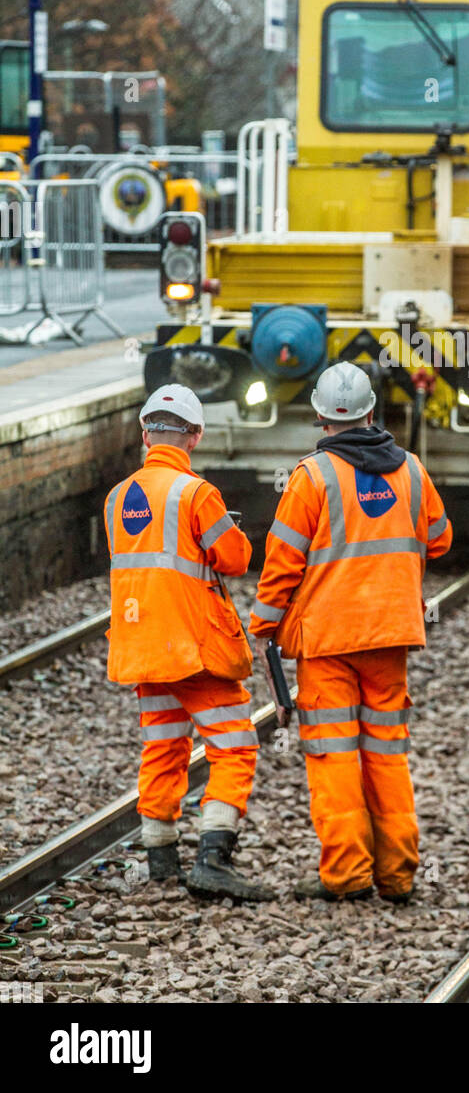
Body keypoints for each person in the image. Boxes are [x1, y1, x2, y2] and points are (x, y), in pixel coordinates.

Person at [248, 361, 452, 903]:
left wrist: (264, 624)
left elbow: (283, 561)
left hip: (328, 642)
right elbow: (440, 539)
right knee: (386, 753)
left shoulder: (312, 478)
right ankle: (398, 875)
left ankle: (346, 875)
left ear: (319, 414)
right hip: (390, 636)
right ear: (370, 411)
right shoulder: (411, 469)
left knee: (335, 754)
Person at [104, 383, 273, 903]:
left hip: (142, 647)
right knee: (236, 747)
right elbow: (234, 558)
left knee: (163, 745)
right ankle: (212, 861)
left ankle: (160, 857)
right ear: (195, 436)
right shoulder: (195, 492)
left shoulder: (116, 498)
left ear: (144, 432)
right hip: (195, 648)